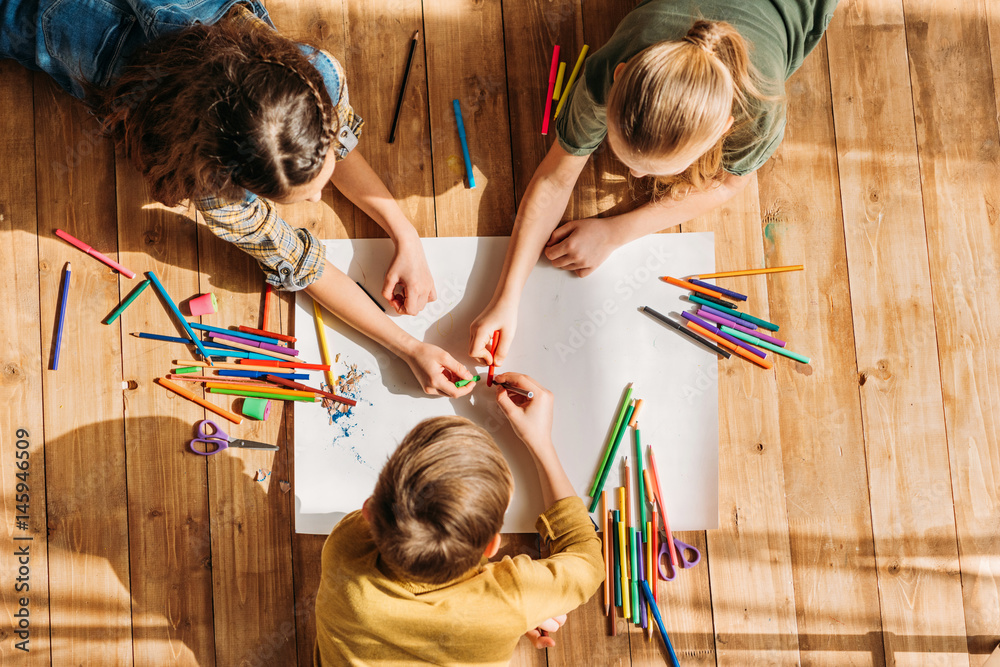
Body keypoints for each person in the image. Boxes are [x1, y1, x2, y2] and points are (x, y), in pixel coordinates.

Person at [1, 0, 474, 396]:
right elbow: (297, 261)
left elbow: (334, 149)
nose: (318, 201)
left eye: (321, 174)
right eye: (305, 196)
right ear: (229, 174)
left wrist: (406, 235)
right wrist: (407, 347)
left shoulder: (322, 77)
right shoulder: (215, 187)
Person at [469, 0, 838, 367]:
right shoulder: (606, 70)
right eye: (627, 157)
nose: (635, 176)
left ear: (724, 128)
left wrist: (615, 232)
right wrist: (505, 298)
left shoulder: (758, 116)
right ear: (620, 76)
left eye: (655, 169)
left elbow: (728, 184)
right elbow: (553, 180)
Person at [313, 374, 605, 665]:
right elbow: (588, 562)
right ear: (491, 547)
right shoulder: (510, 599)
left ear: (369, 510)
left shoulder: (345, 549)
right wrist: (540, 443)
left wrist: (514, 611)